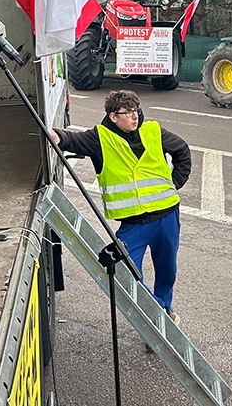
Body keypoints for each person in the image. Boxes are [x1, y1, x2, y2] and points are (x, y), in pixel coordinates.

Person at [49, 89, 192, 321]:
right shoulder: (100, 137)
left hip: (167, 216)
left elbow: (182, 150)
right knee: (124, 273)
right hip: (134, 223)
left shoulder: (152, 130)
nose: (135, 116)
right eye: (128, 112)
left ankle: (164, 311)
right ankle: (157, 312)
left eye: (137, 111)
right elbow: (73, 140)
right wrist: (56, 136)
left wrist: (174, 184)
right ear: (113, 117)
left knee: (167, 271)